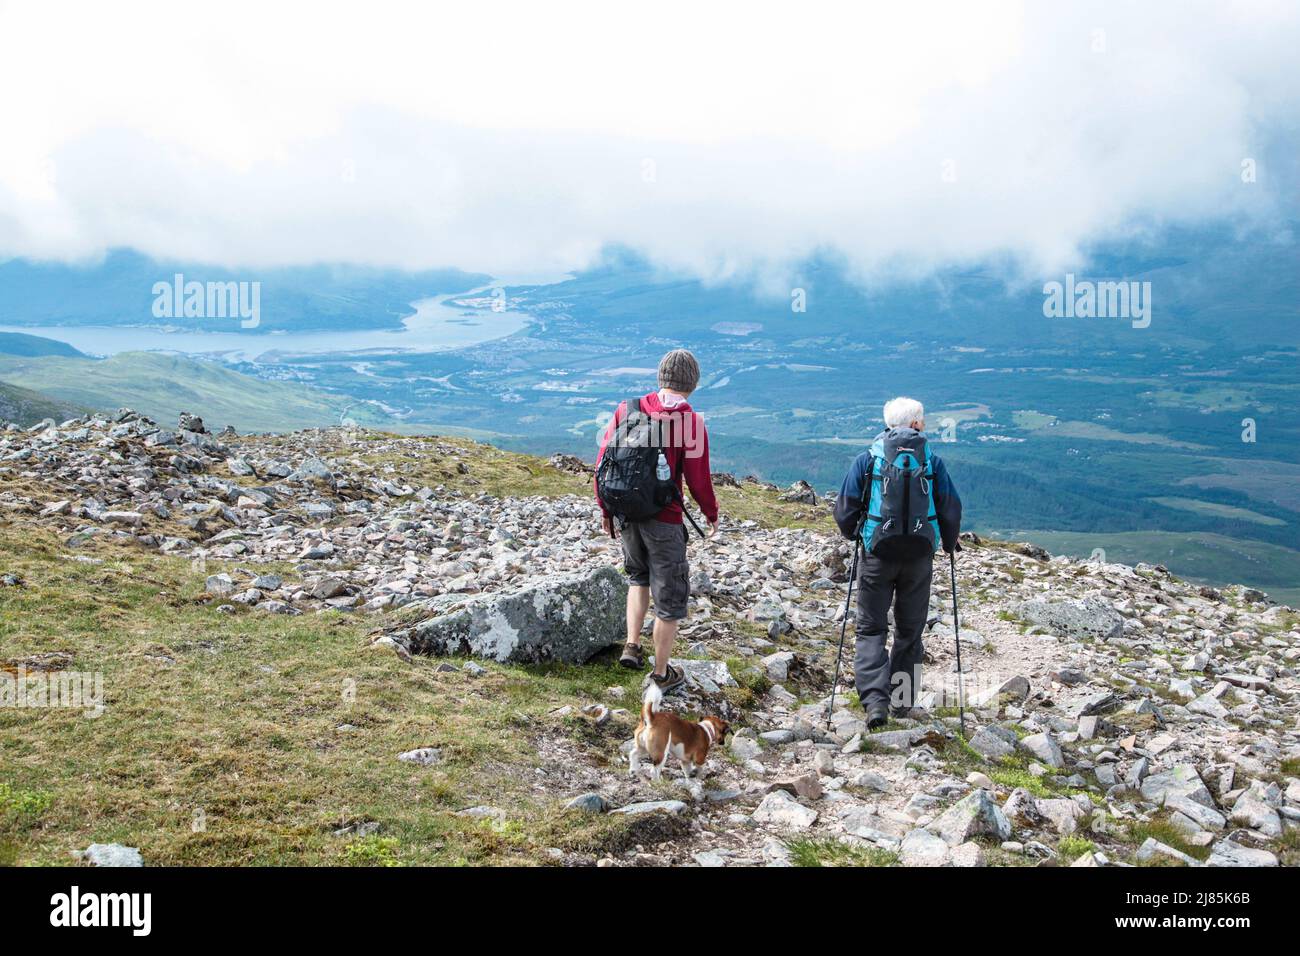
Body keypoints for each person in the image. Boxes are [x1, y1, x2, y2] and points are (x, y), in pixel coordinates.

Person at [594, 349, 719, 694]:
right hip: (665, 520)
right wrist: (711, 513)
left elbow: (603, 464)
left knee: (638, 578)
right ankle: (662, 673)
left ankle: (632, 646)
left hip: (628, 514)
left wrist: (607, 510)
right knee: (670, 597)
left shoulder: (628, 409)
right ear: (692, 384)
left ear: (660, 377)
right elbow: (698, 479)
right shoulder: (690, 423)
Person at [833, 397, 962, 728]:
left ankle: (876, 703)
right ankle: (903, 700)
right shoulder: (933, 461)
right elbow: (949, 507)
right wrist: (948, 543)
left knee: (871, 627)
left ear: (889, 424)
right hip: (919, 556)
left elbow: (845, 507)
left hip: (878, 553)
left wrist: (854, 534)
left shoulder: (868, 459)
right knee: (910, 629)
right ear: (916, 423)